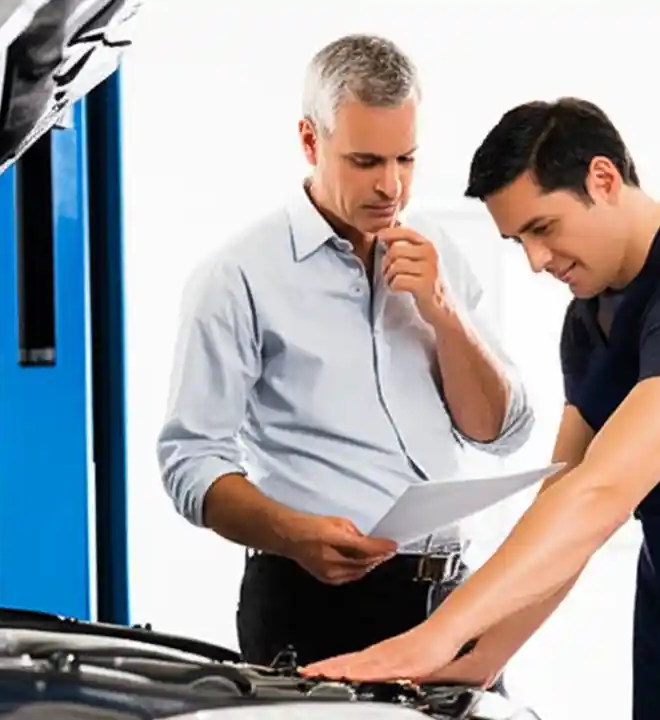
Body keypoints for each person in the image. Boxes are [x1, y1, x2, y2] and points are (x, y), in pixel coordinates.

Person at [301, 97, 660, 719]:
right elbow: (566, 495)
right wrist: (487, 655)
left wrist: (431, 638)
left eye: (543, 228)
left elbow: (602, 493)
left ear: (603, 178)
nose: (536, 261)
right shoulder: (590, 318)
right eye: (518, 241)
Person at [156, 34, 535, 672]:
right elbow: (189, 461)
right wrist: (291, 532)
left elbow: (500, 433)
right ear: (310, 141)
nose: (391, 186)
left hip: (452, 599)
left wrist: (444, 313)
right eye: (365, 161)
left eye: (406, 159)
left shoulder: (435, 250)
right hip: (313, 604)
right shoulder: (238, 276)